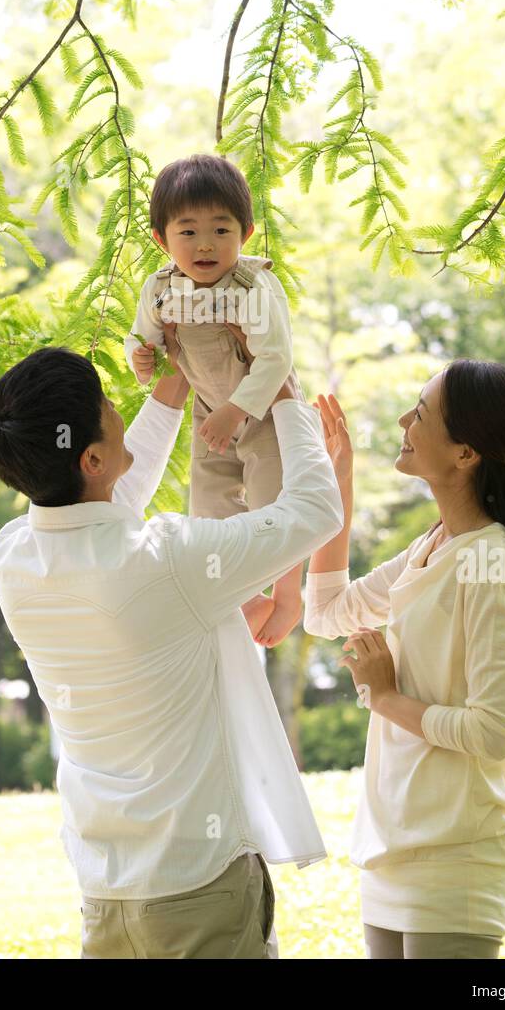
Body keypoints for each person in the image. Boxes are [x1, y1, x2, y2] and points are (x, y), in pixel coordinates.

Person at [0, 339, 347, 959]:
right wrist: (284, 401)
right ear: (92, 456)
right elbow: (314, 510)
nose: (117, 408)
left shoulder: (12, 556)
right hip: (198, 888)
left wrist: (173, 389)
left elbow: (104, 504)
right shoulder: (169, 559)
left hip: (105, 890)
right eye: (104, 403)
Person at [304, 361, 505, 960]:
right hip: (392, 849)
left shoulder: (493, 565)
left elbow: (492, 733)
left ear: (465, 453)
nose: (403, 421)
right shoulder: (431, 548)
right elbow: (326, 611)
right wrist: (339, 480)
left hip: (456, 857)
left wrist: (385, 698)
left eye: (422, 412)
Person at [124, 153, 307, 647]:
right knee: (208, 508)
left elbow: (276, 360)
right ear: (162, 240)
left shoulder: (254, 286)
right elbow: (142, 339)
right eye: (188, 232)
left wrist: (237, 410)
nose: (205, 244)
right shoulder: (161, 289)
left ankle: (289, 593)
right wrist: (140, 359)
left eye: (221, 230)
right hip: (209, 410)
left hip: (265, 411)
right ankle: (246, 600)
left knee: (276, 504)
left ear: (245, 234)